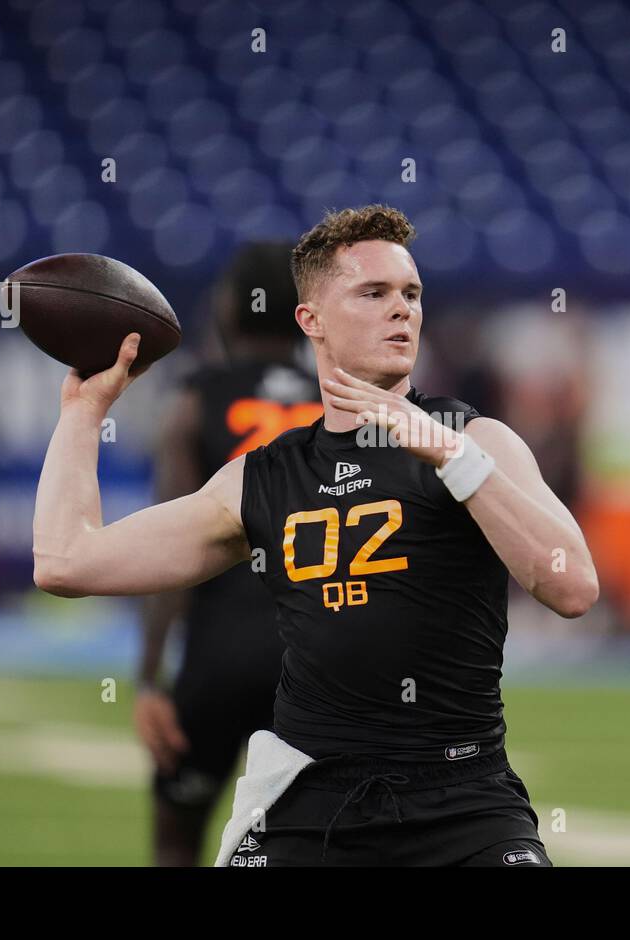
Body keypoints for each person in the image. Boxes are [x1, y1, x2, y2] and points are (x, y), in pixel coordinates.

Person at [33, 205, 598, 866]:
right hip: (311, 804)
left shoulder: (473, 439)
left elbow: (572, 586)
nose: (403, 310)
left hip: (466, 801)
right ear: (312, 321)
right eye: (374, 292)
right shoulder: (263, 478)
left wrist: (453, 458)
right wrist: (82, 412)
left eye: (411, 294)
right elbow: (67, 561)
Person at [134, 242, 321, 866]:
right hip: (312, 656)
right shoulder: (339, 403)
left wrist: (148, 677)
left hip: (216, 655)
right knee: (315, 848)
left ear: (231, 309)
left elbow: (170, 552)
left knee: (176, 841)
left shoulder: (193, 402)